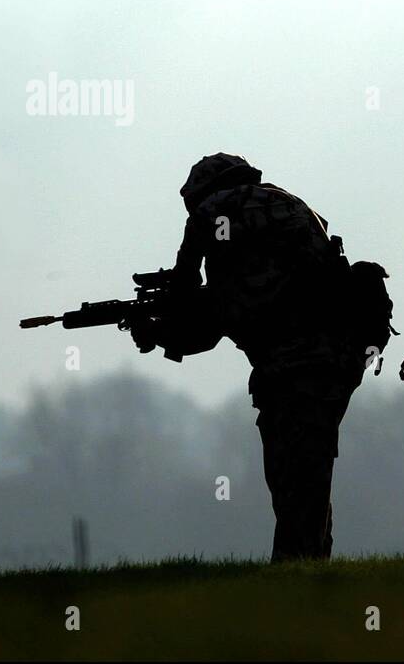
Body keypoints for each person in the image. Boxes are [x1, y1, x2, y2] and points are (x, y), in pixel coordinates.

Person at [131, 153, 383, 560]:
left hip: (292, 366)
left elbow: (196, 308)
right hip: (338, 356)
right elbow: (237, 303)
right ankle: (312, 575)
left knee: (293, 480)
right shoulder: (292, 205)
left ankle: (294, 578)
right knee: (307, 476)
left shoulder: (211, 213)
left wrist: (159, 332)